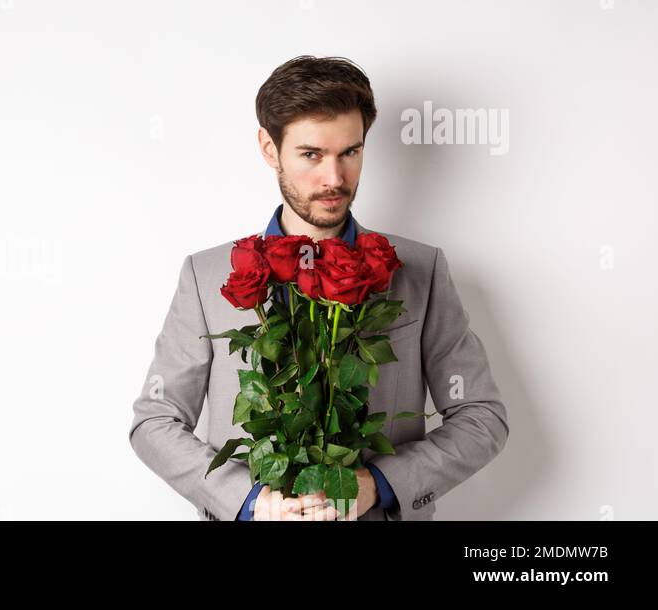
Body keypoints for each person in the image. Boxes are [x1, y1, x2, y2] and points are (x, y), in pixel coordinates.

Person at [127, 56, 510, 521]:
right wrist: (248, 501)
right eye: (311, 155)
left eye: (350, 152)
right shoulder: (205, 276)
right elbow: (155, 420)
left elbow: (481, 416)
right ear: (270, 149)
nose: (335, 179)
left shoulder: (421, 269)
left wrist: (379, 485)